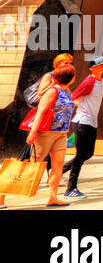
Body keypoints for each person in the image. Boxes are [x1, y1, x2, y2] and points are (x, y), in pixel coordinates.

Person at [0, 64, 77, 207]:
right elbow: (40, 112)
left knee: (58, 165)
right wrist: (33, 133)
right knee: (30, 165)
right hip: (45, 134)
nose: (75, 77)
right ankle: (1, 194)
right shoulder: (52, 91)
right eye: (74, 74)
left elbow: (72, 104)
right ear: (69, 77)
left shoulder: (66, 91)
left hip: (61, 133)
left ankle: (53, 197)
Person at [64, 55, 103, 199]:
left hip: (92, 122)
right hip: (82, 122)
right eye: (100, 65)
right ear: (92, 68)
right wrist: (82, 108)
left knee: (89, 154)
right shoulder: (89, 81)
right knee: (81, 154)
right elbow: (74, 96)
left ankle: (58, 170)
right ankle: (71, 188)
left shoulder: (100, 81)